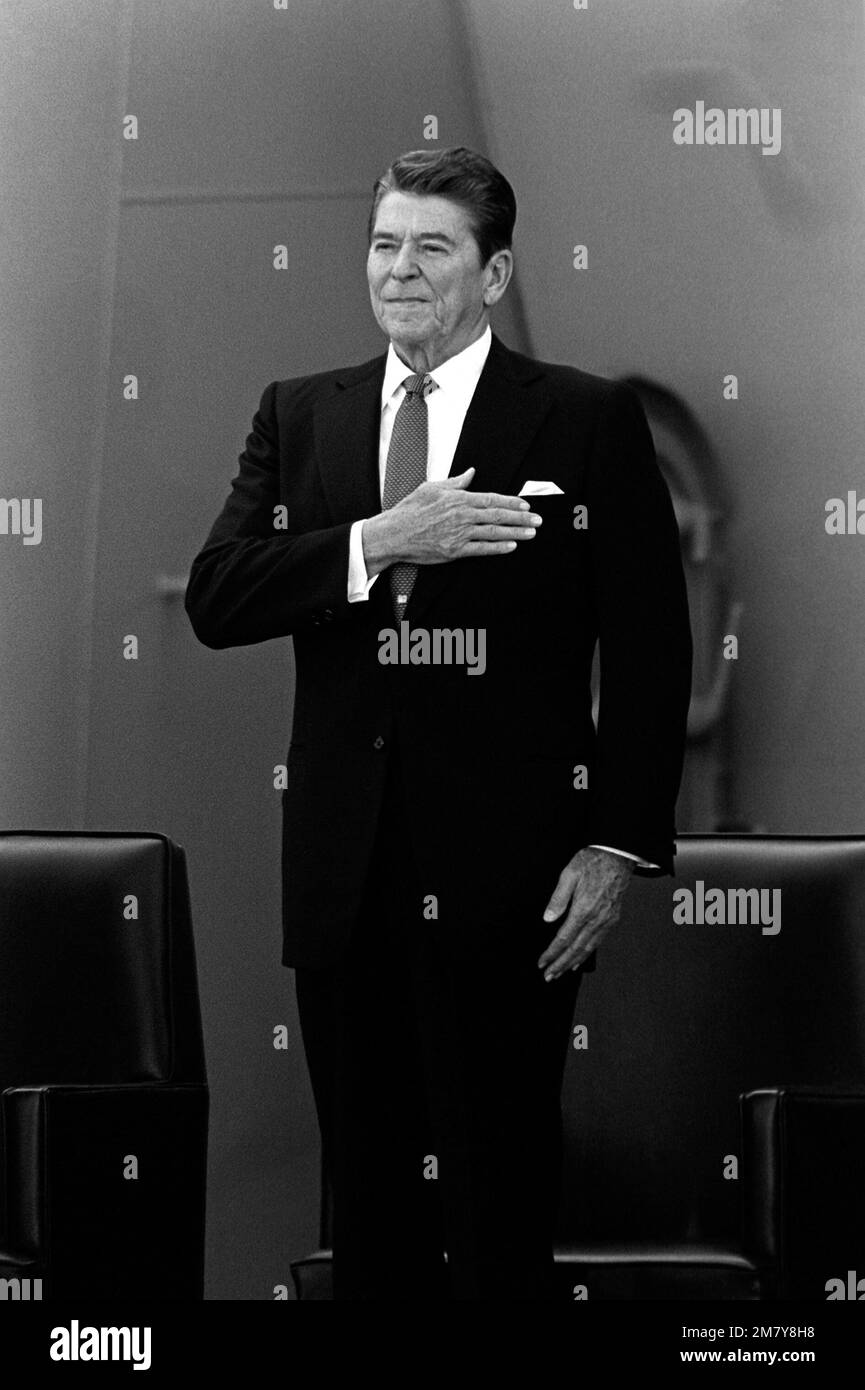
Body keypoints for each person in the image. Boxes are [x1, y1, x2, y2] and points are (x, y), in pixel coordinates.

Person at [185, 145, 693, 1300]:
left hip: (515, 885)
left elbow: (652, 651)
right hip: (343, 879)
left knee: (497, 1217)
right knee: (371, 1225)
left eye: (430, 246)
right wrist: (379, 541)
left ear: (495, 272)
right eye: (382, 244)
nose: (399, 269)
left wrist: (617, 845)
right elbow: (218, 594)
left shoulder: (583, 418)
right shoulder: (299, 412)